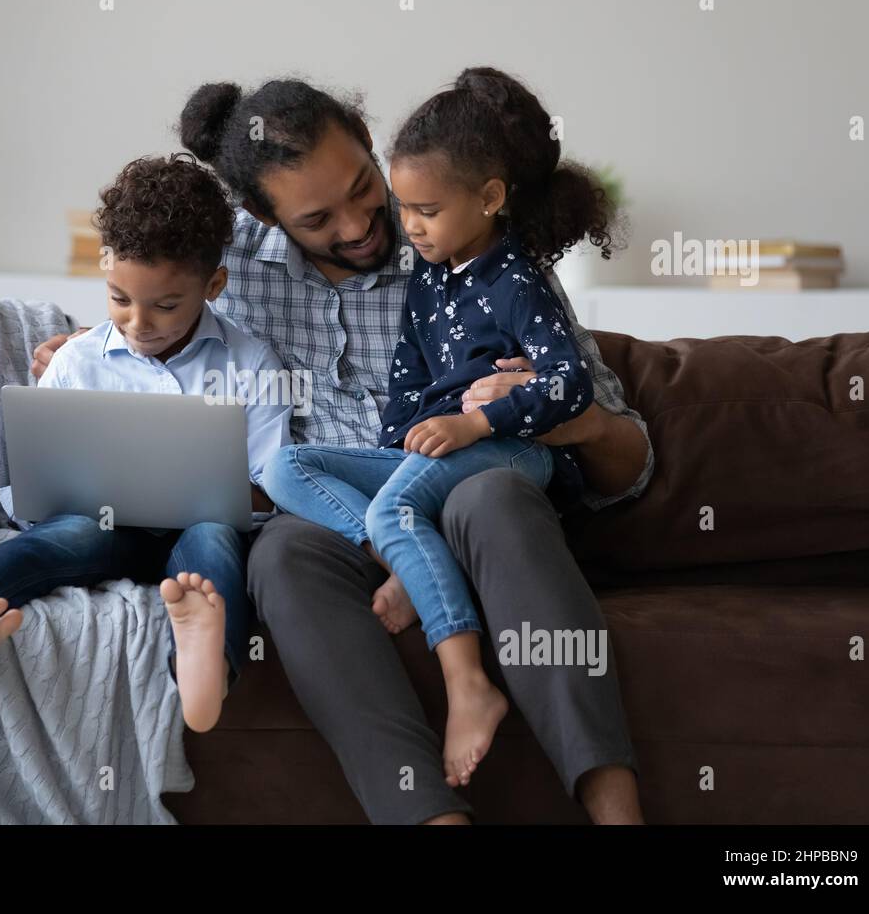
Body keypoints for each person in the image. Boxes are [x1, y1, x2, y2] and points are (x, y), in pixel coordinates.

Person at [34, 73, 654, 824]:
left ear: (370, 143)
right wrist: (94, 350)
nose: (362, 223)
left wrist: (564, 419)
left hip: (467, 488)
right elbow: (148, 309)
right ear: (260, 215)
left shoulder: (456, 232)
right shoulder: (231, 272)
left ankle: (616, 814)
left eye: (365, 187)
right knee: (282, 555)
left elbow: (627, 464)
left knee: (490, 496)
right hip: (336, 514)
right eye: (319, 217)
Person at [260, 65, 613, 787]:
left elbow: (572, 387)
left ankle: (468, 686)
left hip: (508, 454)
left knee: (399, 505)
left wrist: (477, 421)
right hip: (435, 460)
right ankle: (405, 555)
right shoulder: (431, 272)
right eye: (320, 219)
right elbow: (409, 386)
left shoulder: (515, 277)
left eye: (401, 203)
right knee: (284, 467)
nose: (385, 227)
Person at [0, 154, 292, 735]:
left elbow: (271, 488)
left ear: (214, 285)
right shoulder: (76, 359)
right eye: (120, 298)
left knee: (213, 543)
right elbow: (41, 490)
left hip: (202, 527)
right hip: (105, 527)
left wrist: (217, 492)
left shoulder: (250, 362)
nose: (138, 323)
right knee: (68, 533)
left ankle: (207, 666)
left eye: (165, 305)